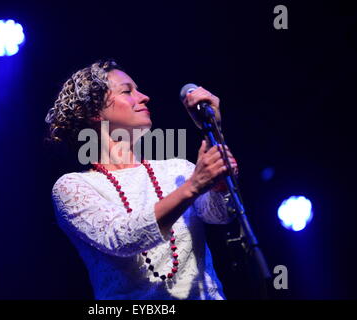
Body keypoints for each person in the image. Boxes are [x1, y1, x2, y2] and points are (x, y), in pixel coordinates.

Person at [45, 59, 238, 300]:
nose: (144, 97)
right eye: (127, 91)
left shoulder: (177, 169)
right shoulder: (73, 187)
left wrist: (213, 132)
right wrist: (194, 186)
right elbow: (122, 238)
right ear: (94, 111)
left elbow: (220, 214)